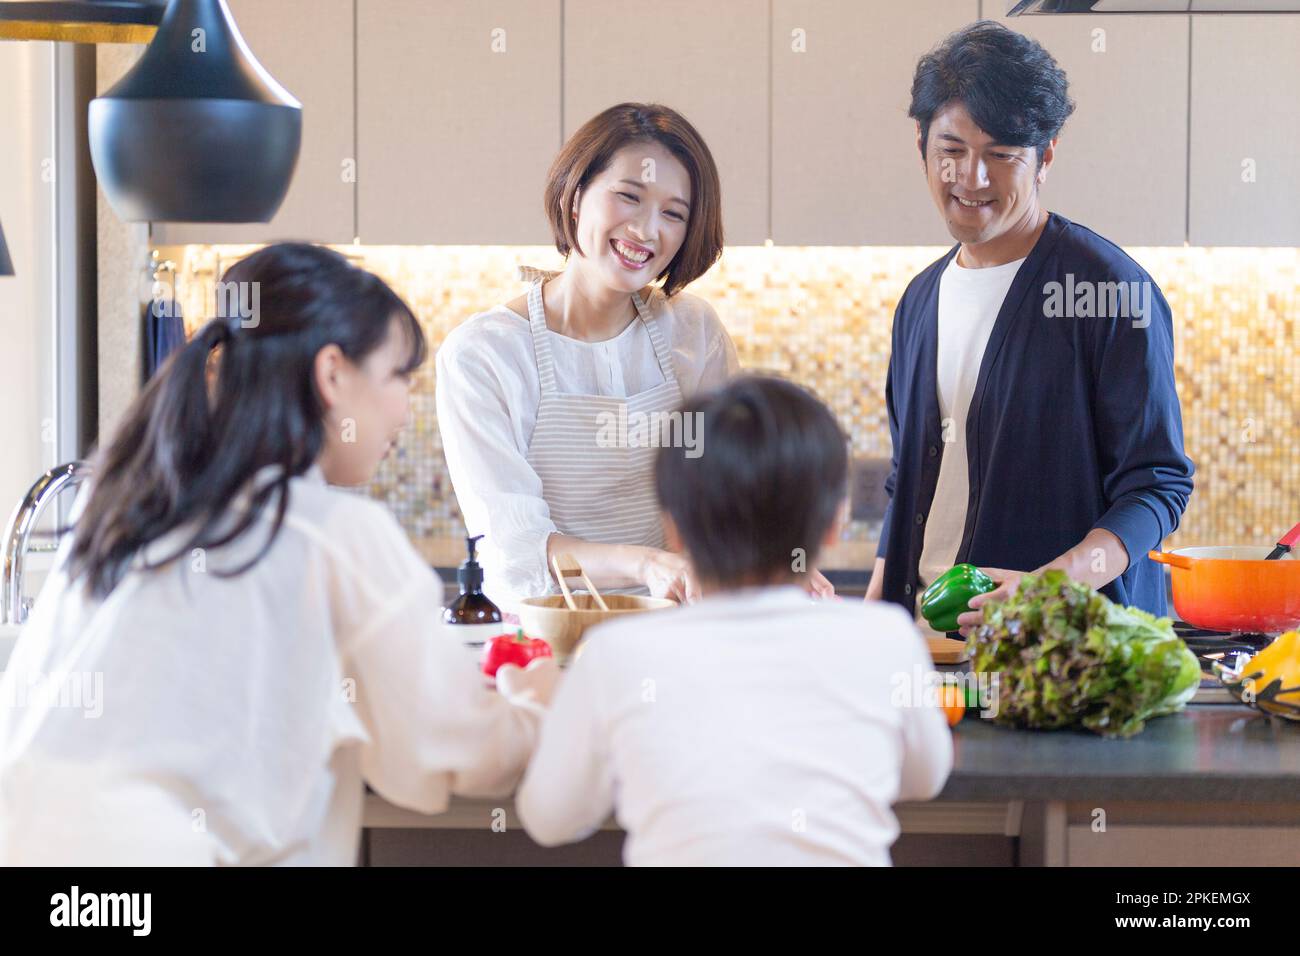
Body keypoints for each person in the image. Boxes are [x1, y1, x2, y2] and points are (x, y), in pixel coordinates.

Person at [0, 243, 554, 866]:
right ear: (333, 374)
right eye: (399, 376)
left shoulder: (129, 498)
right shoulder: (335, 531)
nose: (405, 404)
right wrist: (535, 699)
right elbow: (446, 747)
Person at [516, 376, 952, 866]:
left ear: (673, 527)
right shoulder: (888, 639)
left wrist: (540, 708)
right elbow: (925, 777)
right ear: (835, 520)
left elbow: (552, 818)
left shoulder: (615, 656)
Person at [437, 102, 834, 613]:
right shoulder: (484, 355)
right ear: (576, 195)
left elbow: (735, 489)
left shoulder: (692, 333)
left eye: (673, 213)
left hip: (675, 633)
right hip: (541, 640)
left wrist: (781, 560)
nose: (647, 231)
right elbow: (513, 550)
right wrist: (645, 564)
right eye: (629, 197)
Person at [865, 21, 1194, 634]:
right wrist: (873, 624)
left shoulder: (1109, 291)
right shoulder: (918, 301)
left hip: (1062, 650)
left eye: (1001, 155)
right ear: (921, 145)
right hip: (928, 650)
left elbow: (1157, 487)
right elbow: (904, 484)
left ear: (1045, 156)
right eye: (953, 151)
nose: (973, 179)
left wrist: (1054, 583)